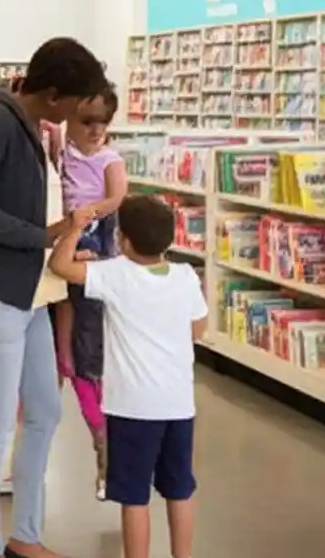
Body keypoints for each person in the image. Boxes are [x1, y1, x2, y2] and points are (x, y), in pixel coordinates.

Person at [0, 36, 108, 558]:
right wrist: (37, 236)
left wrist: (60, 242)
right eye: (78, 104)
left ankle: (27, 536)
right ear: (55, 95)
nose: (81, 115)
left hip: (32, 294)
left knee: (43, 411)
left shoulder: (37, 129)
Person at [47, 195, 208, 558]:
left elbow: (60, 265)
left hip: (132, 408)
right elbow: (197, 329)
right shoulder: (185, 277)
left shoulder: (114, 273)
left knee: (134, 496)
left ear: (123, 240)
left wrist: (74, 227)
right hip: (178, 404)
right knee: (180, 488)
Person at [50, 87, 126, 500]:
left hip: (91, 242)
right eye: (87, 122)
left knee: (82, 354)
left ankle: (105, 451)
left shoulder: (108, 158)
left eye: (103, 122)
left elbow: (117, 196)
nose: (96, 130)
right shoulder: (64, 151)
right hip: (62, 242)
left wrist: (86, 217)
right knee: (64, 337)